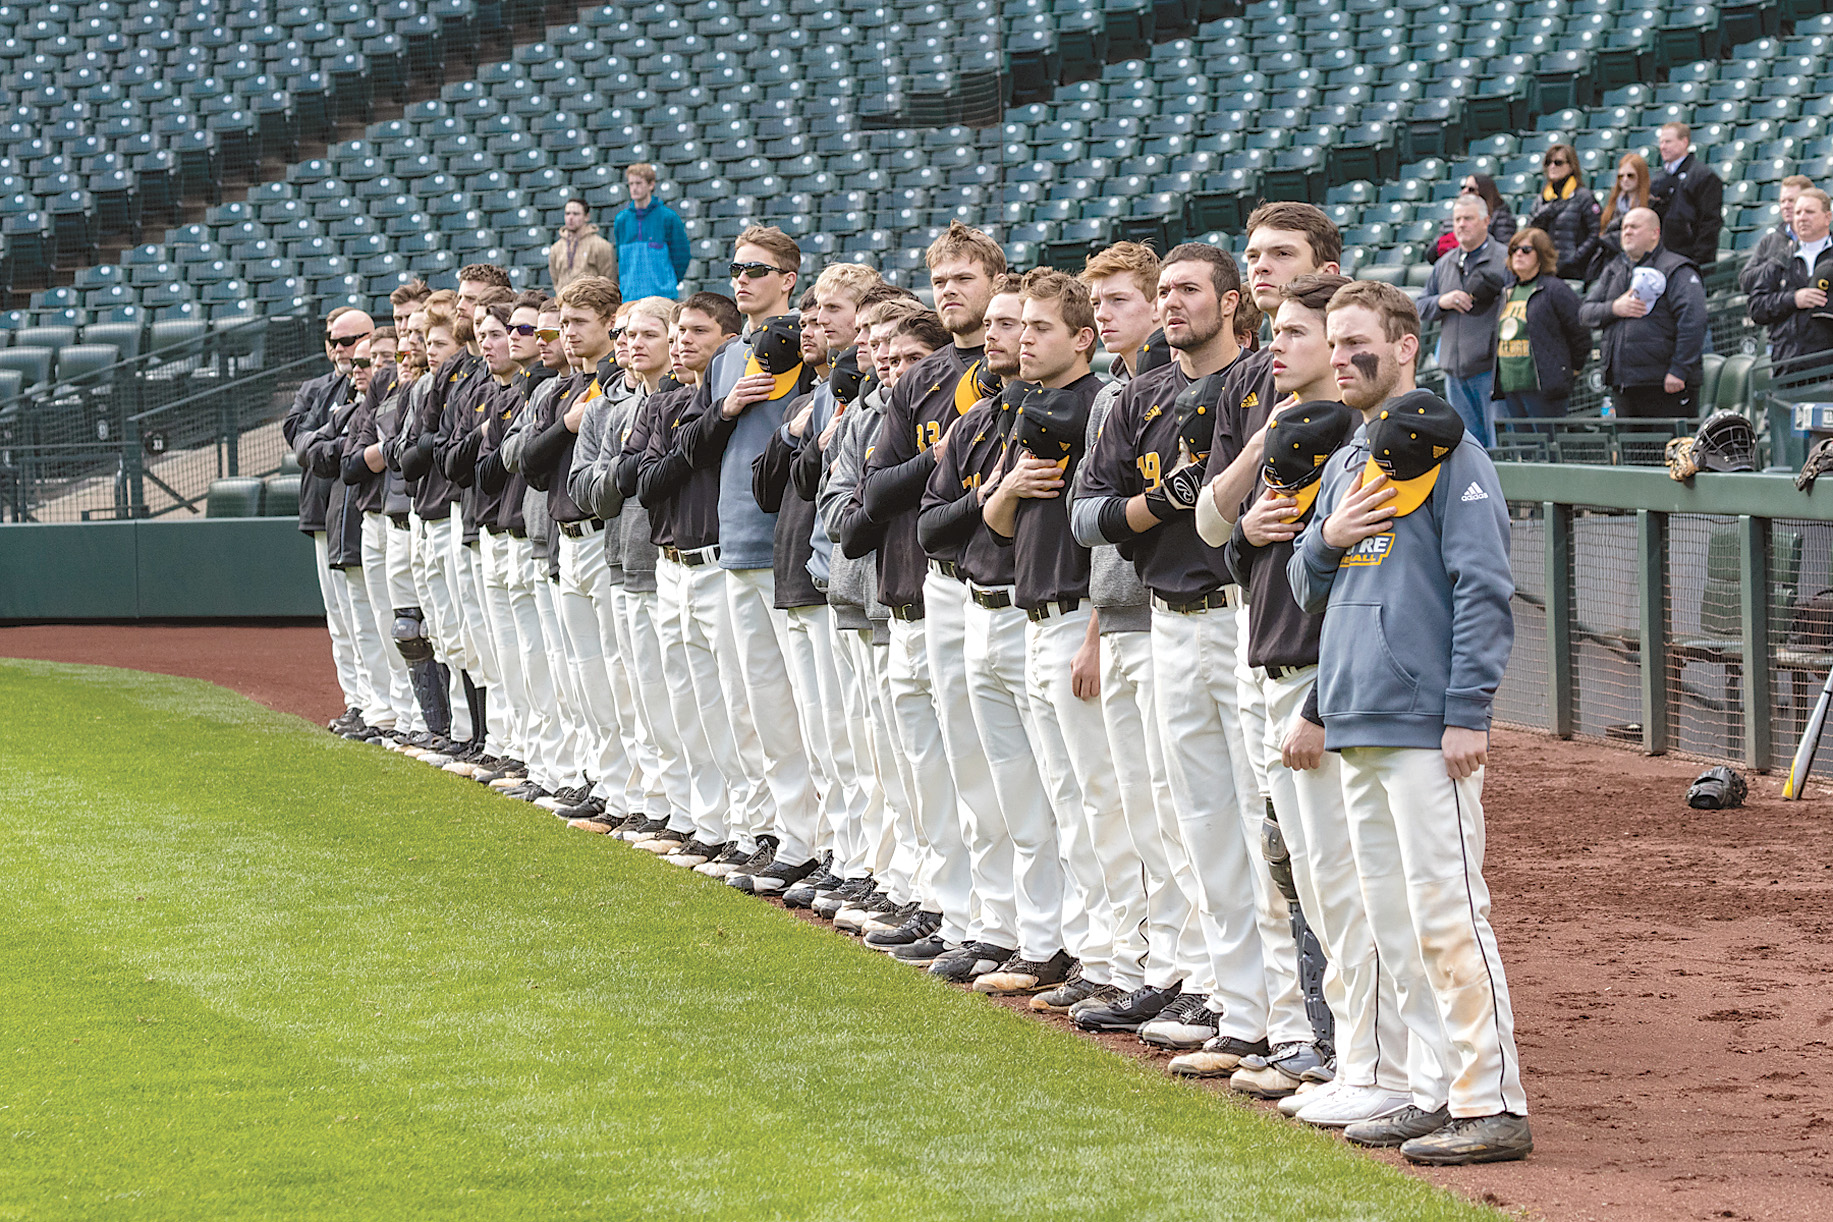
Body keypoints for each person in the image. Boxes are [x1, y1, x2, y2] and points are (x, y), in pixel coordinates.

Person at [1288, 278, 1530, 1166]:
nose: (1342, 357)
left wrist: (1468, 711)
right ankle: (1432, 1090)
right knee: (1393, 923)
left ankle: (1491, 1101)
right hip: (1355, 717)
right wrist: (1327, 537)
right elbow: (1303, 587)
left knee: (1446, 915)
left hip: (1428, 726)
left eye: (1359, 343)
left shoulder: (1448, 452)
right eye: (1333, 342)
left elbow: (1483, 586)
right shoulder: (1351, 459)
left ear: (1402, 348)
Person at [1212, 272, 1411, 1123]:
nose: (1281, 347)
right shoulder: (1295, 432)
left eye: (1303, 333)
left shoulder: (1356, 443)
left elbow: (1366, 596)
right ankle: (1355, 1058)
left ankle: (1374, 1065)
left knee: (1349, 883)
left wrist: (1321, 702)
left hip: (1318, 683)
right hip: (1279, 671)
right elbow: (1246, 560)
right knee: (1319, 884)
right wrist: (1247, 534)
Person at [284, 305, 378, 736]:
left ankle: (377, 705)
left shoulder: (374, 386)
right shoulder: (317, 389)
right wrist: (334, 439)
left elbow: (328, 447)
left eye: (349, 341)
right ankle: (356, 701)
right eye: (334, 342)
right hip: (323, 512)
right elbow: (300, 441)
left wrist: (328, 441)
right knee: (340, 618)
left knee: (368, 615)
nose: (340, 350)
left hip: (365, 507)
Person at [1580, 207, 1707, 418]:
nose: (1627, 232)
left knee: (1668, 450)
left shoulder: (1676, 268)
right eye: (1624, 228)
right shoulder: (1614, 270)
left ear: (1654, 233)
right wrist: (1614, 308)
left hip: (1664, 386)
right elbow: (1585, 313)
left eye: (1634, 227)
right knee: (1632, 451)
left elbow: (1693, 321)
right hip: (1624, 385)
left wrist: (1679, 370)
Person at [1418, 195, 1506, 446]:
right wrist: (1442, 301)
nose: (1461, 225)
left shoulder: (1504, 259)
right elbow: (1420, 305)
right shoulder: (1445, 263)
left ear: (1486, 221)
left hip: (1488, 372)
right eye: (1457, 219)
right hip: (1454, 374)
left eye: (1468, 218)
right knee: (1468, 447)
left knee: (1496, 447)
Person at [1492, 227, 1590, 421]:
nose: (1518, 254)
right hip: (1511, 387)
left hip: (1543, 389)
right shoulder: (1507, 292)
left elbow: (1581, 334)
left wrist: (1570, 370)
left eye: (1526, 250)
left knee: (1546, 449)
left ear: (1541, 254)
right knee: (1523, 448)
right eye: (1514, 250)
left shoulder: (1555, 290)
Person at [1747, 188, 1833, 385]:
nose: (1802, 218)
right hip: (1787, 370)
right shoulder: (1779, 260)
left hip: (1828, 371)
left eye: (1809, 212)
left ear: (1827, 217)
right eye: (1798, 213)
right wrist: (1793, 299)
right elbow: (1756, 307)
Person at [1649, 121, 1724, 269]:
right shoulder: (1659, 178)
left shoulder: (1703, 176)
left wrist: (1699, 262)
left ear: (1684, 142)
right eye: (1661, 142)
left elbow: (1710, 223)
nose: (1662, 147)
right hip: (1662, 259)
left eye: (1668, 142)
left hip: (1689, 260)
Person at [614, 163, 691, 303]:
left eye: (638, 183)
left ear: (651, 185)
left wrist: (666, 283)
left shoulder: (668, 217)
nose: (634, 188)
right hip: (630, 297)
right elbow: (620, 258)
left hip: (662, 297)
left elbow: (681, 256)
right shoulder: (621, 220)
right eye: (631, 183)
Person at [1523, 143, 1601, 280]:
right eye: (1548, 163)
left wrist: (1575, 258)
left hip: (1574, 272)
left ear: (1571, 166)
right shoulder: (1541, 200)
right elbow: (1529, 231)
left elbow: (1595, 233)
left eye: (1558, 162)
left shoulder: (1583, 197)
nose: (1552, 166)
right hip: (1545, 270)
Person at [1739, 175, 1812, 295]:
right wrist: (1776, 263)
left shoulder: (1823, 239)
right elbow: (1746, 282)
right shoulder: (1769, 242)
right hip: (1775, 308)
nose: (1786, 206)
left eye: (1791, 200)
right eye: (1783, 201)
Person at [1591, 153, 1651, 283]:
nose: (1625, 179)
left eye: (1630, 175)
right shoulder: (1612, 205)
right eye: (1621, 176)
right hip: (1611, 264)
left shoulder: (1650, 205)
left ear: (1640, 176)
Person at [548, 197, 618, 294]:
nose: (571, 218)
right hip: (563, 304)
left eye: (576, 214)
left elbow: (609, 281)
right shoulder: (556, 248)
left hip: (591, 304)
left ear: (587, 217)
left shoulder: (601, 246)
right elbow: (555, 279)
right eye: (567, 213)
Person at [1434, 174, 1514, 258]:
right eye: (1463, 187)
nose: (1465, 191)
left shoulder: (1501, 216)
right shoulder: (1452, 216)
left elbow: (1504, 250)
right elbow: (1431, 254)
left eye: (1471, 189)